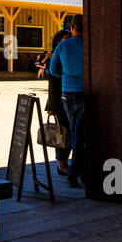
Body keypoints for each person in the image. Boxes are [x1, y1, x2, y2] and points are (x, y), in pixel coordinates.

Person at [48, 15, 84, 189]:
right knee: (80, 134)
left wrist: (68, 76)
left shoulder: (62, 46)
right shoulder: (89, 45)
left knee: (74, 130)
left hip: (67, 94)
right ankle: (76, 173)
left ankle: (76, 172)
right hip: (85, 92)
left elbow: (53, 70)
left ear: (72, 28)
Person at [43, 28, 71, 176]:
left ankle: (65, 163)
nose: (68, 42)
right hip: (59, 102)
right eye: (65, 40)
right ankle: (62, 165)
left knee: (70, 133)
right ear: (58, 43)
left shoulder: (68, 56)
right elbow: (52, 84)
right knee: (62, 134)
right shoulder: (56, 57)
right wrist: (52, 106)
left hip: (69, 99)